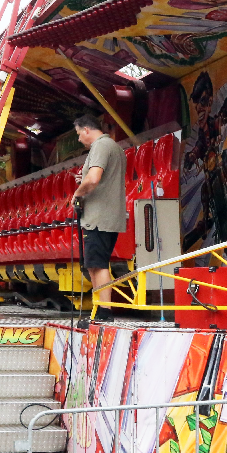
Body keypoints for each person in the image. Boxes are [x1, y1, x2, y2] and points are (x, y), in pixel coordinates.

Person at [70, 114, 127, 323]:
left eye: (78, 134)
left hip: (99, 216)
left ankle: (105, 313)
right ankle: (99, 311)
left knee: (99, 264)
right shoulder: (113, 147)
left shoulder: (101, 146)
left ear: (86, 129)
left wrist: (77, 192)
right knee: (94, 264)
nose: (78, 139)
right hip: (105, 215)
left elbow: (94, 179)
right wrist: (82, 180)